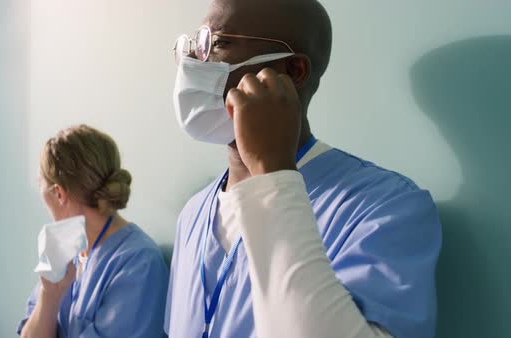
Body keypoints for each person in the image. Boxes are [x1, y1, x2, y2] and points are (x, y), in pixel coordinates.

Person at [166, 1, 441, 338]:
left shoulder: (385, 207)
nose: (195, 60)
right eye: (195, 45)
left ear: (293, 71)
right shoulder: (193, 214)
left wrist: (272, 172)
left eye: (217, 43)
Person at [18, 125, 168, 338]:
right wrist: (49, 294)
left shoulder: (138, 263)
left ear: (59, 193)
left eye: (40, 184)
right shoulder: (64, 255)